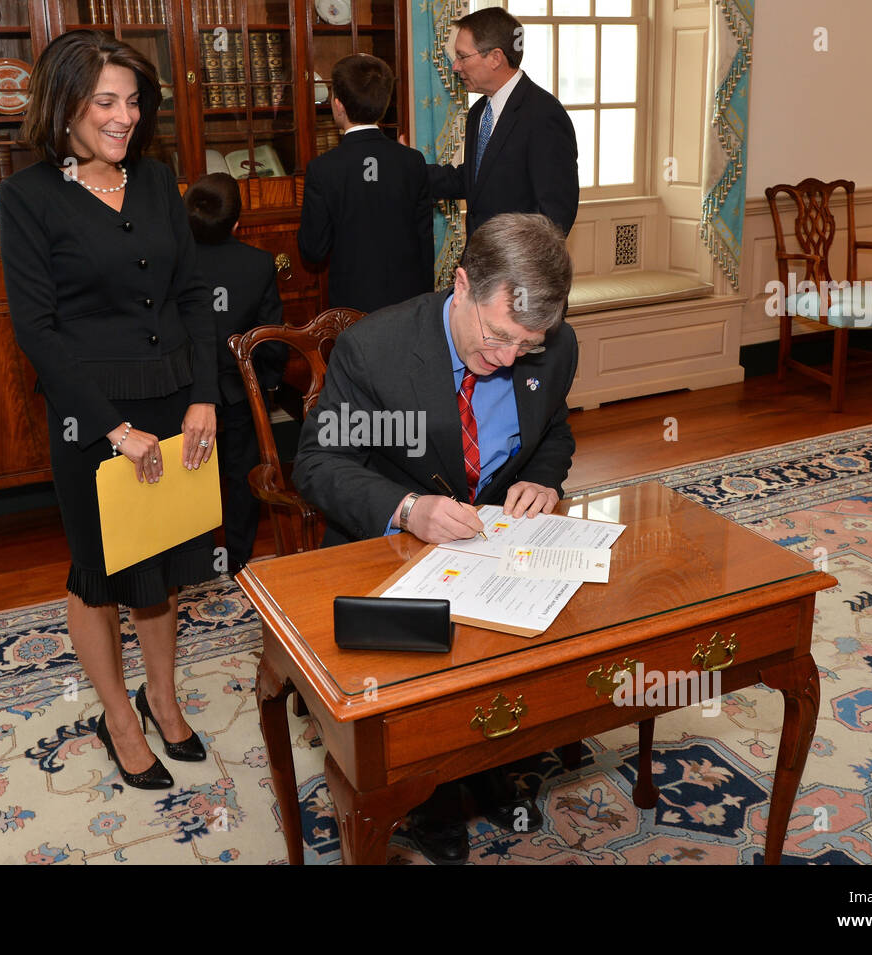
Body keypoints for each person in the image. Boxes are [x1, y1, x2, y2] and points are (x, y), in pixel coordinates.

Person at [292, 213, 576, 863]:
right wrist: (408, 507)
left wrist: (541, 477)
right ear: (462, 283)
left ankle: (492, 760)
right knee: (426, 664)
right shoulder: (378, 348)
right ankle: (431, 792)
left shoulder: (551, 346)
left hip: (498, 543)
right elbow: (317, 463)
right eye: (498, 335)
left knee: (536, 640)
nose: (508, 358)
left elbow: (553, 431)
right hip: (392, 552)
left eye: (525, 346)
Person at [0, 31, 216, 791]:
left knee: (161, 562)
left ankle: (162, 696)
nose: (125, 117)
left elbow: (193, 294)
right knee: (101, 570)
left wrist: (203, 396)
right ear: (64, 108)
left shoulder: (156, 182)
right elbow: (38, 330)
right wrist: (112, 429)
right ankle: (118, 716)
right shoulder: (28, 197)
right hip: (90, 416)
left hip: (171, 396)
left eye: (132, 102)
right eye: (106, 103)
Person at [183, 172, 287, 575]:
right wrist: (269, 383)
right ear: (238, 223)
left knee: (191, 467)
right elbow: (269, 336)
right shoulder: (258, 264)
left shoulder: (171, 265)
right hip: (240, 387)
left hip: (187, 387)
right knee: (242, 471)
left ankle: (195, 558)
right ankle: (238, 558)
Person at [425, 7, 578, 240]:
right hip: (481, 262)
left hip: (516, 270)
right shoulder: (479, 111)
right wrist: (405, 168)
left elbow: (555, 216)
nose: (455, 66)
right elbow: (474, 178)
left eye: (463, 56)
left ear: (495, 58)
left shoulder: (544, 115)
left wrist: (514, 271)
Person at [298, 53, 434, 312]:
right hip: (409, 304)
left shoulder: (323, 169)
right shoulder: (412, 161)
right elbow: (424, 243)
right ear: (384, 104)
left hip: (352, 308)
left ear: (338, 105)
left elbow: (313, 251)